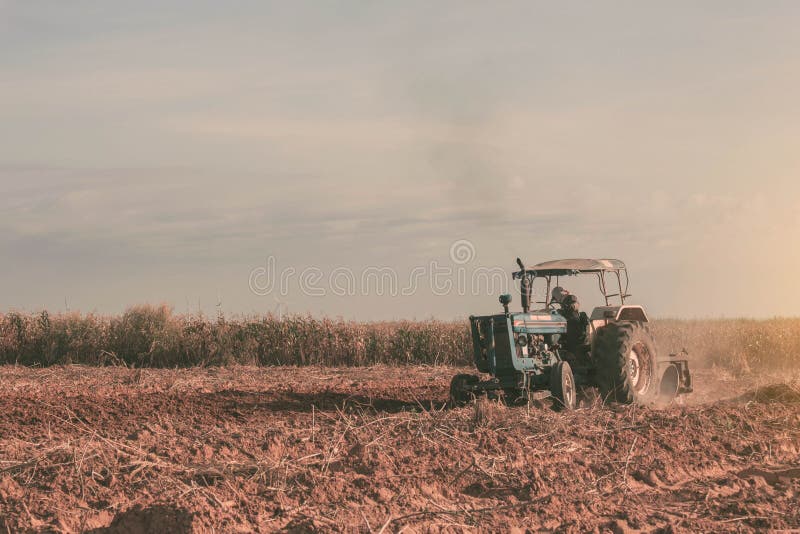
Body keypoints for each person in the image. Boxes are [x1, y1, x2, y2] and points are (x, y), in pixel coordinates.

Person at [560, 294, 590, 358]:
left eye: (572, 303)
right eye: (570, 303)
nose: (571, 306)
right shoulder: (561, 315)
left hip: (579, 344)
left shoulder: (582, 316)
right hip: (566, 344)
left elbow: (588, 330)